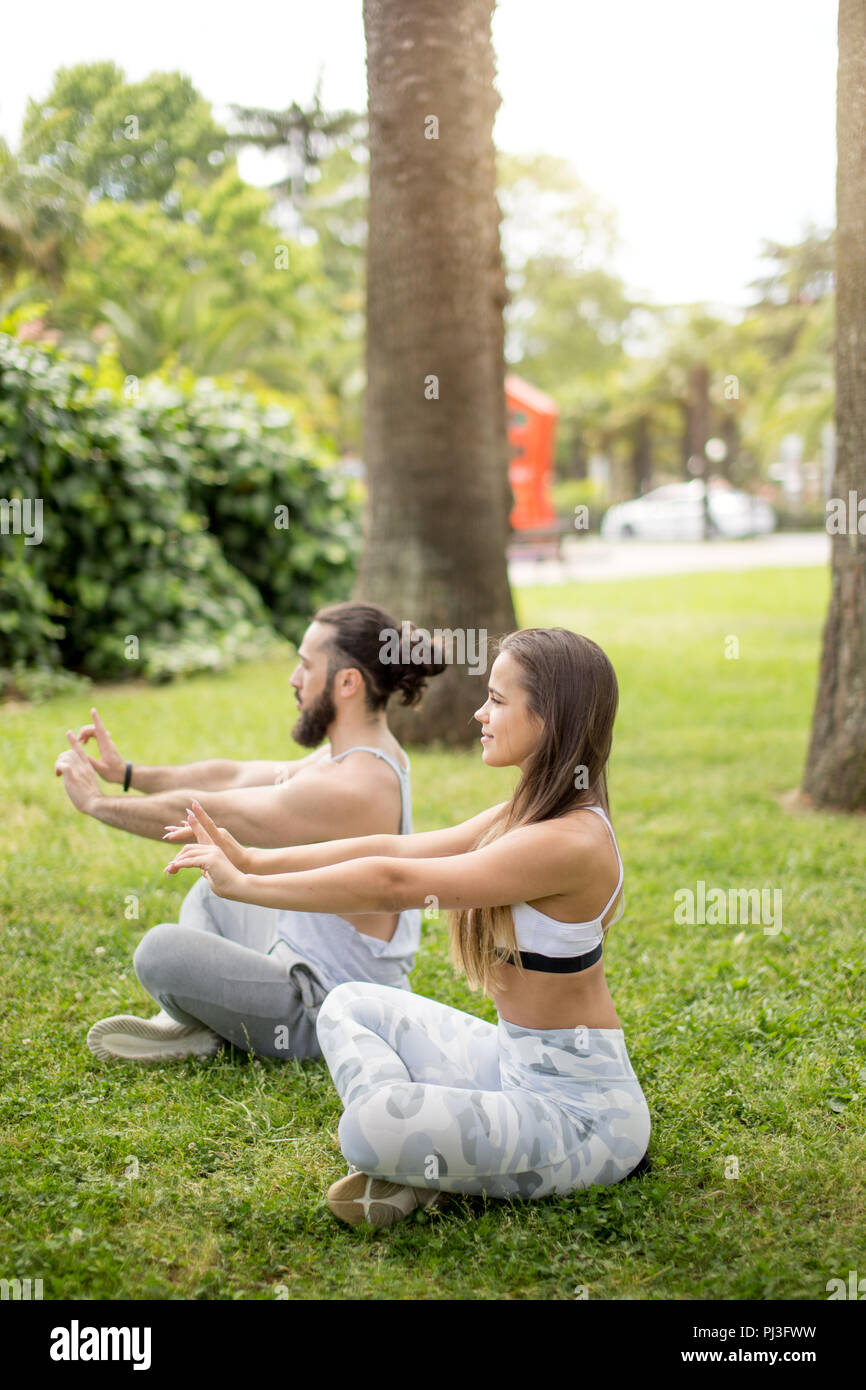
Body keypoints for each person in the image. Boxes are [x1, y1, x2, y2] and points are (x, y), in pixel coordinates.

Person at [164, 627, 652, 1228]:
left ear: (551, 716)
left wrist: (248, 888)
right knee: (347, 1006)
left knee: (366, 1132)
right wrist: (254, 858)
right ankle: (435, 1165)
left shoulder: (569, 841)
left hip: (581, 1117)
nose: (480, 712)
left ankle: (427, 1162)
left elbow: (396, 882)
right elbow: (397, 846)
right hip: (509, 1066)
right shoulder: (528, 811)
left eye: (498, 700)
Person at [52, 602, 444, 1064]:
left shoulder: (354, 785)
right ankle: (195, 1026)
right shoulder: (359, 756)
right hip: (298, 957)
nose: (294, 679)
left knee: (160, 951)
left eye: (305, 665)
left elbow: (215, 812)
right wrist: (130, 773)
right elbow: (236, 777)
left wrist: (98, 804)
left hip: (329, 1013)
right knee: (212, 894)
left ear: (347, 681)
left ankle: (200, 1025)